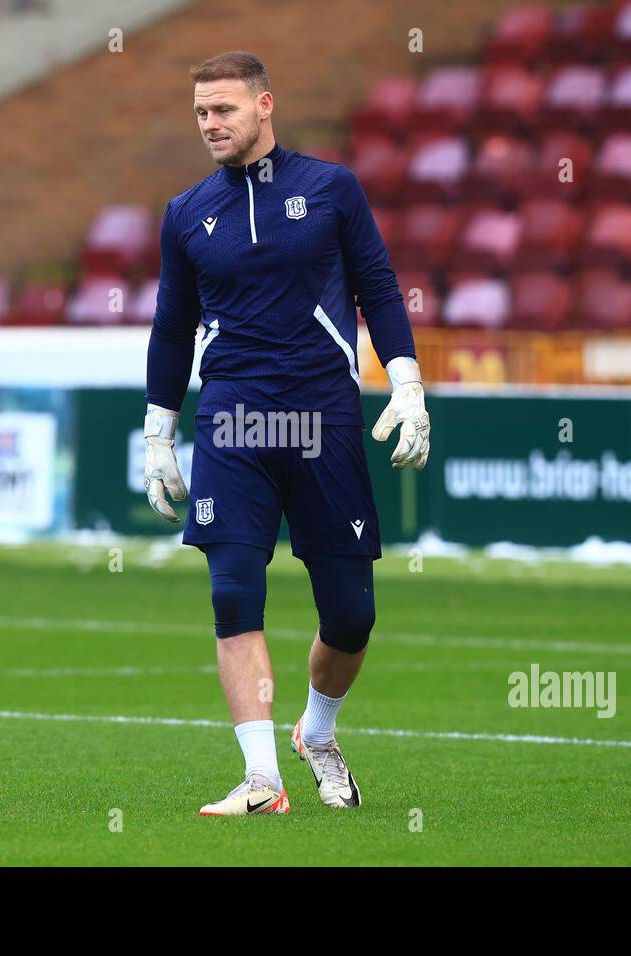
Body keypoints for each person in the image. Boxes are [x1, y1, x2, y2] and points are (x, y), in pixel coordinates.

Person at [142, 51, 429, 816]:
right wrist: (159, 435)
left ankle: (319, 733)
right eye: (201, 111)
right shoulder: (185, 212)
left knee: (351, 612)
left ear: (265, 106)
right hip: (233, 416)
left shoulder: (332, 189)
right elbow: (172, 330)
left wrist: (406, 382)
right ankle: (262, 779)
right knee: (234, 591)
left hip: (323, 416)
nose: (210, 123)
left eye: (224, 109)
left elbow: (379, 287)